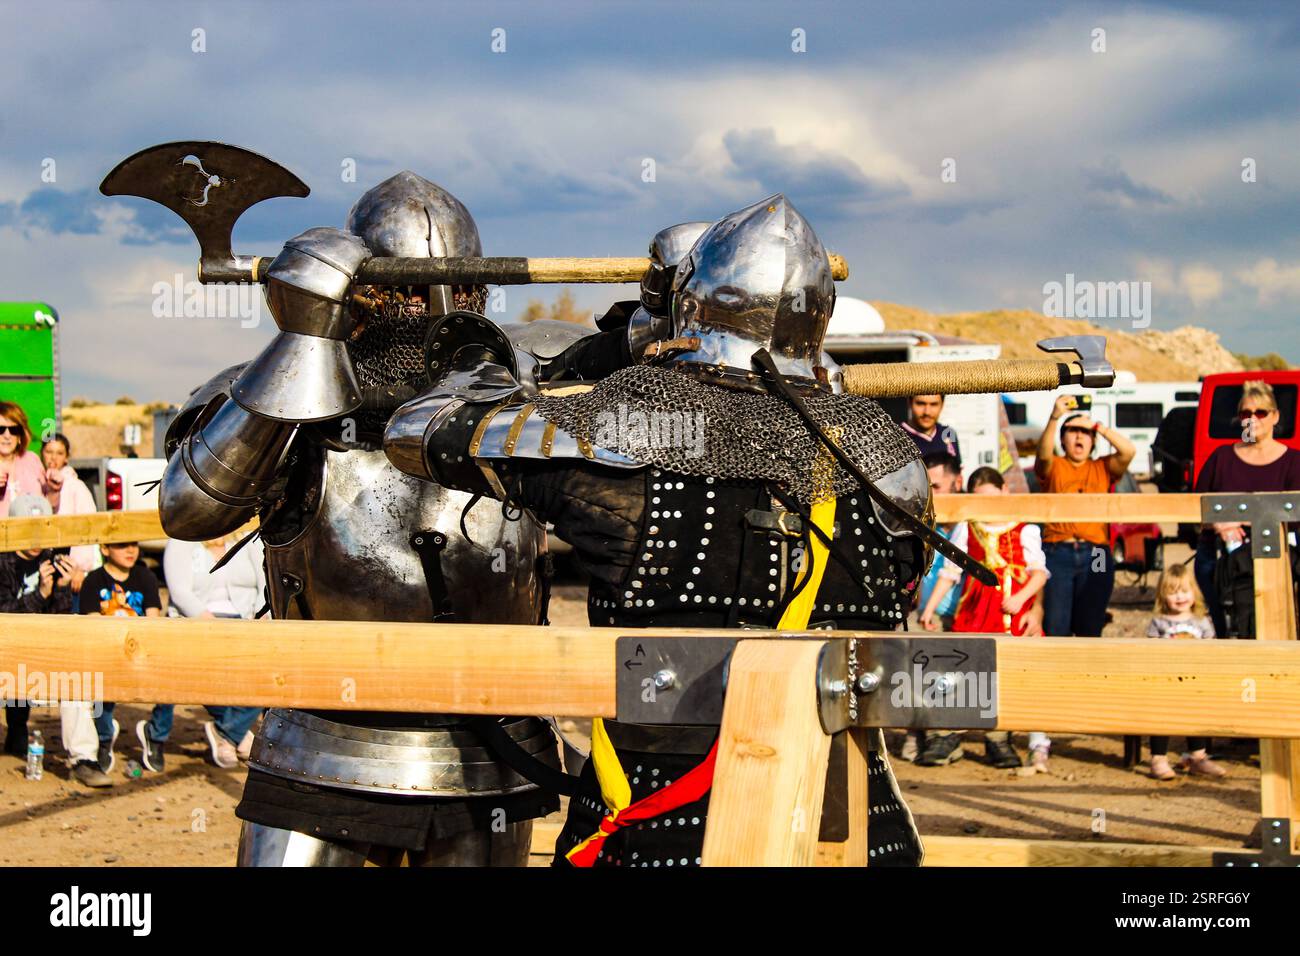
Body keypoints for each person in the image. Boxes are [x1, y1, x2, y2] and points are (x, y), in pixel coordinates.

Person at [384, 194, 977, 867]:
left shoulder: (631, 425)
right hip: (848, 818)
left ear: (689, 306)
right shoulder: (885, 453)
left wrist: (485, 362)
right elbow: (903, 573)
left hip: (660, 820)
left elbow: (418, 431)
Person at [157, 171, 557, 867]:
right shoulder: (287, 402)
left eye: (460, 290)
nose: (435, 307)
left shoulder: (530, 395)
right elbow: (187, 511)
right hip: (318, 748)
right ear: (363, 294)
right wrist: (300, 339)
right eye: (407, 290)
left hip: (486, 747)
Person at [919, 467, 1047, 769]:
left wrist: (1020, 599)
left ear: (1005, 492)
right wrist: (929, 608)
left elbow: (1039, 573)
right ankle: (948, 736)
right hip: (976, 608)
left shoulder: (1024, 528)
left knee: (1005, 673)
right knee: (967, 669)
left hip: (1009, 609)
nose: (987, 506)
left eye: (992, 498)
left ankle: (999, 739)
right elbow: (951, 572)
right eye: (980, 501)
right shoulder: (967, 526)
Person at [0, 495, 111, 786]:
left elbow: (63, 624)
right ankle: (16, 730)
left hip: (41, 652)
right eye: (29, 530)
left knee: (75, 679)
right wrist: (40, 594)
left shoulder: (54, 561)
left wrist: (62, 590)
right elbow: (4, 617)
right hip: (6, 650)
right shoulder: (3, 562)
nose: (37, 539)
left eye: (41, 530)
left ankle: (83, 759)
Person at [1194, 380, 1300, 639]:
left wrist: (1243, 520)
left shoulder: (1294, 461)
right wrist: (1218, 523)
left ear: (1275, 416)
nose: (1252, 419)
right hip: (1222, 556)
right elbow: (1194, 507)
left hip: (1281, 552)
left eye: (1260, 412)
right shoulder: (1221, 458)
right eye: (1245, 413)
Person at [1034, 395, 1135, 640]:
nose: (1079, 436)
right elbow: (1043, 456)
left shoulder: (1102, 467)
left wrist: (1098, 426)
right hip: (1057, 551)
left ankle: (1086, 675)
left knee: (1091, 624)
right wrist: (1055, 417)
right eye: (1073, 431)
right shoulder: (1055, 466)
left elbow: (1129, 450)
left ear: (1093, 440)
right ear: (1062, 438)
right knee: (1057, 624)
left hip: (1097, 552)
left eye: (1084, 432)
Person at [162, 535, 267, 767]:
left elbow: (264, 584)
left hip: (245, 619)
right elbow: (180, 593)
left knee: (267, 674)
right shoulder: (182, 543)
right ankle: (236, 733)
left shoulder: (247, 541)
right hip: (200, 621)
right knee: (204, 678)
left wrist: (259, 617)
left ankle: (228, 733)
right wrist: (213, 626)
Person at [899, 452, 964, 763]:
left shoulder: (967, 524)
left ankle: (944, 735)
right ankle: (918, 731)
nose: (933, 495)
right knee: (914, 669)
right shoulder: (921, 520)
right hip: (924, 611)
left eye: (938, 486)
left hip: (957, 612)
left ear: (957, 482)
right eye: (930, 487)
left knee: (944, 671)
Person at [79, 541, 165, 773]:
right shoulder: (93, 581)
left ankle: (155, 736)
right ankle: (104, 738)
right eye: (121, 545)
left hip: (140, 650)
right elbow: (95, 628)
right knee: (98, 684)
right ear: (105, 549)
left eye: (134, 545)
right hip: (107, 653)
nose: (130, 550)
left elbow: (153, 621)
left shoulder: (145, 576)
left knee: (171, 678)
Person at [1141, 564, 1225, 780]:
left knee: (1196, 715)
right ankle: (1158, 759)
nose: (1180, 596)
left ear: (1194, 593)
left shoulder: (1202, 621)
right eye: (1173, 591)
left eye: (1184, 591)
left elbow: (1211, 649)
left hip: (1193, 680)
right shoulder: (1159, 621)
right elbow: (1150, 650)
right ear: (1163, 595)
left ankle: (1197, 757)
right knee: (1162, 716)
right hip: (1166, 681)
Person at [40, 433, 100, 585]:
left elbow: (87, 525)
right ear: (42, 454)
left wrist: (81, 569)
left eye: (59, 453)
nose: (53, 458)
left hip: (70, 569)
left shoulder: (76, 486)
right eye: (49, 452)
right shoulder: (39, 483)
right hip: (46, 565)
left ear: (66, 457)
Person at [0, 401, 48, 506]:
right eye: (1, 429)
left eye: (14, 430)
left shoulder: (31, 460)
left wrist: (56, 487)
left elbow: (49, 504)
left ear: (20, 436)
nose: (7, 435)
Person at [902, 394, 961, 467]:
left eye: (934, 404)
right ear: (909, 403)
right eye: (920, 404)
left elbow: (957, 473)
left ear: (942, 405)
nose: (927, 412)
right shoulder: (895, 437)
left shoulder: (948, 433)